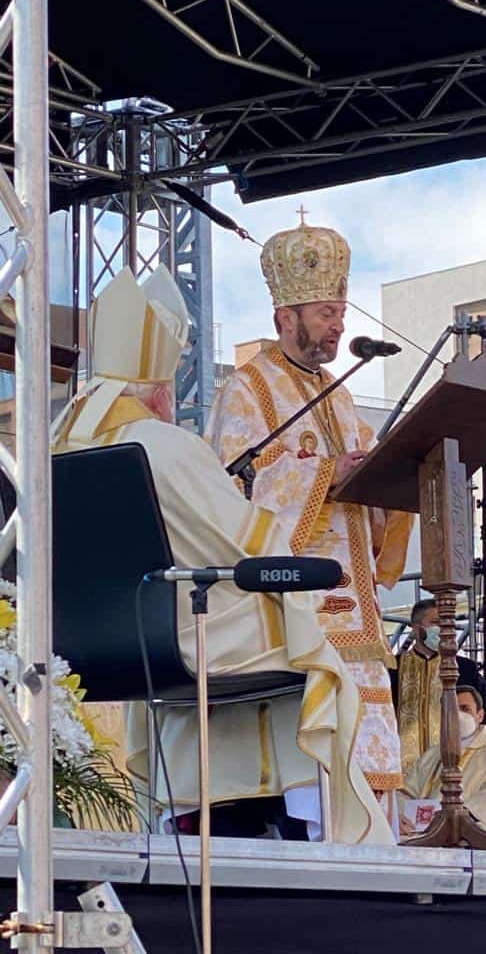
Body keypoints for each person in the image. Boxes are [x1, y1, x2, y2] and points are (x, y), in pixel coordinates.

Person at [51, 266, 392, 846]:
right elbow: (247, 540)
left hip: (107, 642)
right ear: (159, 390)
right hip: (189, 638)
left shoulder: (57, 442)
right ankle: (325, 827)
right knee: (313, 643)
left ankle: (208, 807)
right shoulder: (169, 443)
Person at [205, 215, 412, 825]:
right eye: (326, 313)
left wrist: (384, 474)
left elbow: (368, 477)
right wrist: (325, 475)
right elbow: (230, 491)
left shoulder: (340, 394)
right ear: (285, 316)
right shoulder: (244, 391)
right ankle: (317, 835)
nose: (339, 325)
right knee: (312, 754)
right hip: (292, 602)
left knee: (365, 734)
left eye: (340, 313)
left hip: (354, 594)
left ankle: (369, 844)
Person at [398, 685, 486, 839]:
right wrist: (400, 815)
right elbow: (405, 793)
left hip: (468, 842)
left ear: (480, 715)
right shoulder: (432, 754)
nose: (458, 715)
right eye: (452, 710)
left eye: (465, 708)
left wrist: (460, 819)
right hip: (422, 838)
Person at [391, 598, 486, 774]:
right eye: (435, 623)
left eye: (447, 624)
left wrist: (464, 733)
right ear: (416, 627)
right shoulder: (393, 668)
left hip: (452, 771)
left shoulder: (464, 668)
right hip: (402, 772)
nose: (442, 630)